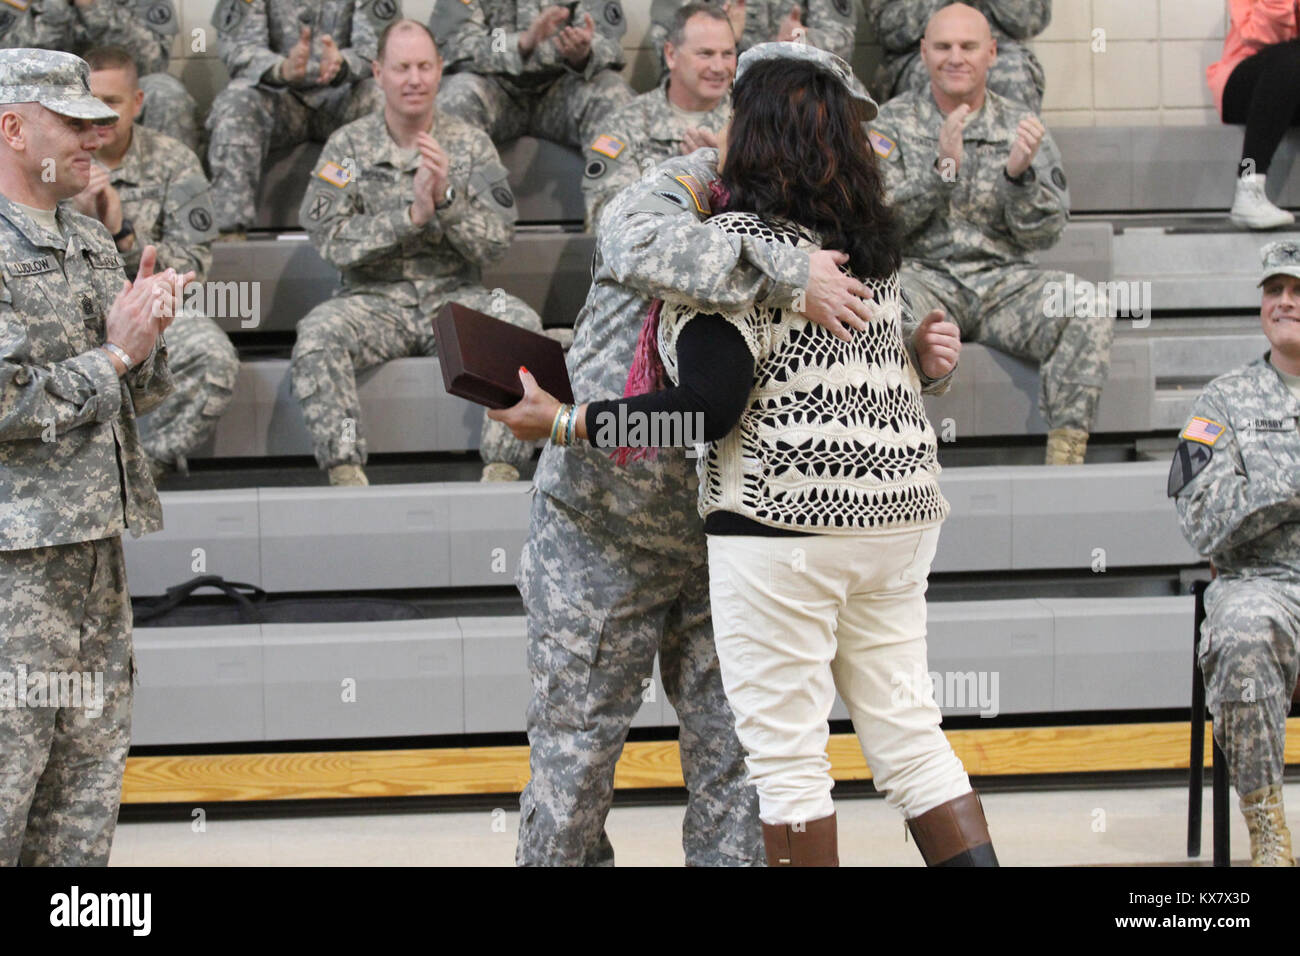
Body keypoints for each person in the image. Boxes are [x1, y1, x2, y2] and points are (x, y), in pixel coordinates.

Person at [492, 41, 996, 868]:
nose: (846, 139)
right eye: (829, 119)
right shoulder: (688, 192)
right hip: (604, 530)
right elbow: (630, 243)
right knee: (573, 780)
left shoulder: (836, 234)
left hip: (732, 536)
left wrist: (916, 353)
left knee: (746, 785)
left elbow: (811, 368)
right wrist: (791, 272)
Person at [0, 48, 187, 866]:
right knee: (8, 780)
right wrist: (114, 357)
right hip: (16, 565)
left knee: (85, 787)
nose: (97, 137)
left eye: (99, 122)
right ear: (12, 128)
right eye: (72, 123)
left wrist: (145, 342)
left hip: (92, 550)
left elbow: (132, 398)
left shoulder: (87, 237)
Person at [293, 19, 542, 486]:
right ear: (378, 73)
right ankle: (345, 470)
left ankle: (503, 466)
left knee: (521, 325)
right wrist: (412, 217)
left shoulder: (469, 144)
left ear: (440, 71)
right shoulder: (347, 147)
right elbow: (331, 240)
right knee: (317, 335)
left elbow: (495, 243)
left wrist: (446, 201)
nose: (414, 79)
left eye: (425, 66)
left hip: (452, 298)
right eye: (402, 67)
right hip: (372, 301)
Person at [870, 3, 1102, 465]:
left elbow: (1047, 232)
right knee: (878, 309)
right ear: (923, 52)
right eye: (943, 46)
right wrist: (941, 170)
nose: (955, 57)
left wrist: (1018, 178)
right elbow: (877, 228)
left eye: (968, 46)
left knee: (1085, 304)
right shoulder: (889, 125)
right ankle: (894, 458)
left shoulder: (1021, 126)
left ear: (992, 52)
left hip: (1003, 284)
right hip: (925, 278)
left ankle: (1066, 457)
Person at [1170, 239, 1300, 867]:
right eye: (1274, 290)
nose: (1284, 302)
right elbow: (1201, 516)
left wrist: (1260, 487)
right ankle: (1269, 829)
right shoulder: (1221, 403)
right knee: (1244, 633)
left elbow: (1234, 498)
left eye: (1299, 291)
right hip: (1259, 583)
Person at [78, 46, 239, 481]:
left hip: (153, 307)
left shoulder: (173, 161)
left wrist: (123, 234)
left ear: (137, 102)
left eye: (111, 102)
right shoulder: (56, 162)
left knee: (214, 358)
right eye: (88, 100)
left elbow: (193, 268)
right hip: (68, 306)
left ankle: (145, 467)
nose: (97, 114)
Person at [206, 0, 399, 237]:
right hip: (280, 97)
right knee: (236, 103)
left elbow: (381, 47)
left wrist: (343, 64)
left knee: (381, 97)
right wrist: (281, 68)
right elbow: (238, 47)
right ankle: (229, 238)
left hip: (342, 95)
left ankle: (384, 230)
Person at [582, 2, 734, 231]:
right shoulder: (626, 125)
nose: (719, 66)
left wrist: (728, 171)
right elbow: (608, 217)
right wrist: (693, 180)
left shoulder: (752, 122)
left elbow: (781, 216)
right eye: (706, 54)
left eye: (728, 54)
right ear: (671, 54)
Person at [429, 0, 633, 150]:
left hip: (562, 87)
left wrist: (584, 53)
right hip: (496, 87)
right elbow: (457, 45)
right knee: (455, 99)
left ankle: (619, 202)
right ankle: (451, 203)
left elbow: (608, 41)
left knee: (613, 94)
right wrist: (519, 43)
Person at [0, 0, 199, 150]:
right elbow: (11, 65)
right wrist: (55, 9)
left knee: (164, 92)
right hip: (53, 90)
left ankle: (173, 182)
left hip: (117, 89)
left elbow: (153, 62)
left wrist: (92, 7)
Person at [1207, 0, 1300, 230]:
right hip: (1243, 86)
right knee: (1292, 57)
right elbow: (1259, 36)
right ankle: (1249, 183)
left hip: (1291, 92)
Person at [867, 0, 1050, 111]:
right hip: (920, 55)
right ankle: (946, 172)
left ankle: (1011, 170)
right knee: (936, 74)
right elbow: (886, 29)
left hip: (997, 52)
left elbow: (1031, 22)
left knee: (1013, 72)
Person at [648, 0, 858, 70]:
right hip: (723, 80)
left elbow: (842, 42)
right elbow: (666, 46)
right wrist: (725, 38)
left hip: (793, 77)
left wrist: (799, 43)